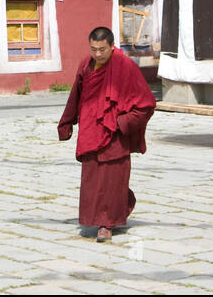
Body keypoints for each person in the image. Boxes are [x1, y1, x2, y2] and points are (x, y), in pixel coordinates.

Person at [58, 27, 156, 242]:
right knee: (93, 178)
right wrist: (66, 121)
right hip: (90, 129)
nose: (98, 54)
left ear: (112, 46)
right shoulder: (86, 65)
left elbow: (147, 103)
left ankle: (107, 225)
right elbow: (77, 94)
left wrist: (122, 123)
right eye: (94, 49)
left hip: (114, 133)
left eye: (102, 49)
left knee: (113, 180)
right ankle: (95, 217)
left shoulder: (125, 67)